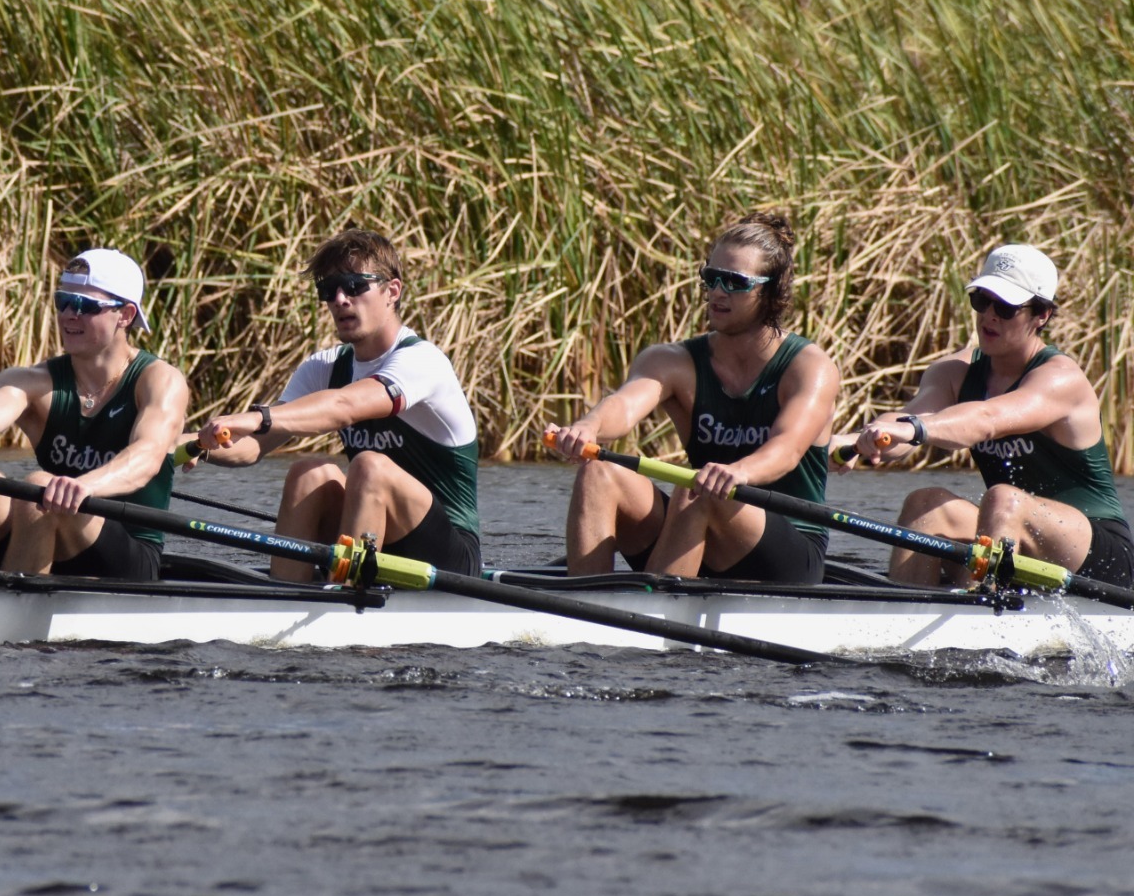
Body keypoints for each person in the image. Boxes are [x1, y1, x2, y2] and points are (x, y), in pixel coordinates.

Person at [545, 211, 840, 582]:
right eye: (711, 278)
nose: (717, 291)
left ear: (771, 290)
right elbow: (624, 404)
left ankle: (651, 615)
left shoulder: (808, 368)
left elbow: (786, 450)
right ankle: (582, 607)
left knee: (698, 489)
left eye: (734, 282)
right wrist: (589, 427)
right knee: (600, 472)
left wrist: (737, 472)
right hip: (697, 525)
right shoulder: (672, 361)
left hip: (789, 551)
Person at [192, 228, 481, 584]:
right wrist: (188, 444)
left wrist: (258, 416)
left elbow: (345, 405)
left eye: (355, 286)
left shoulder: (423, 362)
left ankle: (344, 604)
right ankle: (284, 597)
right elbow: (253, 446)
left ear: (392, 291)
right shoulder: (324, 367)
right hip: (376, 538)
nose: (340, 299)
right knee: (309, 473)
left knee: (370, 467)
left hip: (450, 556)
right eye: (329, 290)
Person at [0, 248, 190, 580]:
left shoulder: (160, 381)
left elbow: (146, 458)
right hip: (43, 525)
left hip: (127, 557)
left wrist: (85, 486)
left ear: (126, 315)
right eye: (63, 302)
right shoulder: (33, 381)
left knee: (39, 487)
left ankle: (11, 616)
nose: (69, 315)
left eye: (86, 306)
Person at [838, 244, 1132, 588]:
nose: (989, 315)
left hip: (1098, 552)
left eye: (1006, 307)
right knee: (926, 503)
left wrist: (915, 429)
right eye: (982, 300)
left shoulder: (1060, 378)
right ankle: (903, 613)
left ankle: (983, 607)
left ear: (1042, 316)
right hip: (1008, 530)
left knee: (1004, 498)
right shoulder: (955, 372)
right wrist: (861, 440)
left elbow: (987, 418)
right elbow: (907, 422)